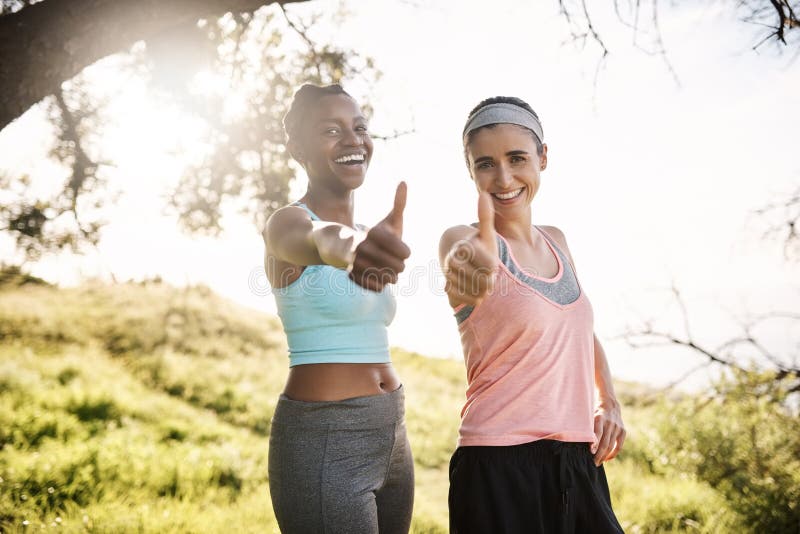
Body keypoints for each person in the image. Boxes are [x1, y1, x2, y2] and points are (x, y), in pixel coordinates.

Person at [439, 96, 626, 533]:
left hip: (577, 460)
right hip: (498, 465)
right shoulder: (463, 240)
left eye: (517, 158)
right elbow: (458, 259)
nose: (503, 177)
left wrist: (609, 400)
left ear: (543, 157)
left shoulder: (557, 240)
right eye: (485, 164)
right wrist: (466, 267)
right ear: (471, 171)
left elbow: (580, 331)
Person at [262, 83, 414, 534]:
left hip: (392, 433)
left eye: (359, 127)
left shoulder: (369, 232)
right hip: (326, 438)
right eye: (331, 130)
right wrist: (352, 248)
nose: (353, 140)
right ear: (297, 148)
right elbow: (320, 240)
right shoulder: (287, 223)